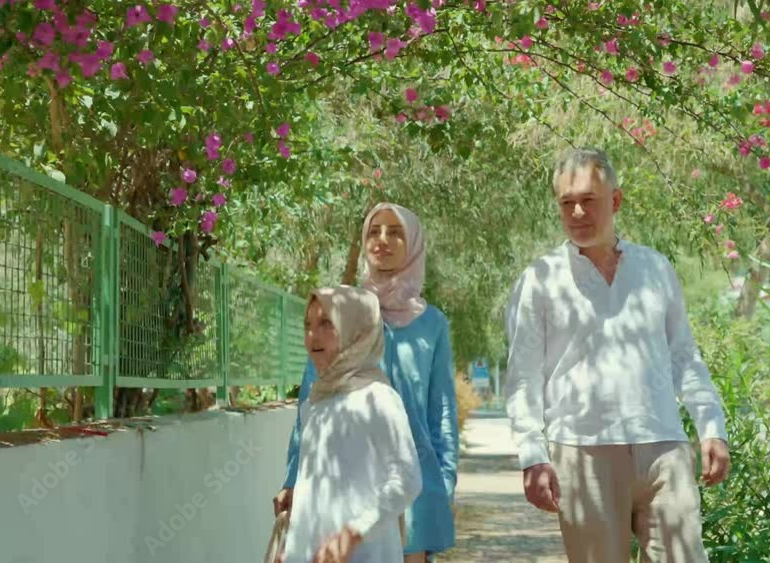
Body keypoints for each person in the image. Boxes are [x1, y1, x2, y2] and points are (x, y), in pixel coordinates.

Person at [503, 147, 731, 562]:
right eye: (567, 202)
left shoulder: (655, 268)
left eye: (588, 200)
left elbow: (683, 354)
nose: (577, 212)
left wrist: (711, 426)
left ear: (616, 200)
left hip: (663, 446)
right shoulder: (539, 279)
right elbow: (523, 377)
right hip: (582, 452)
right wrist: (532, 455)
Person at [275, 203, 458, 563]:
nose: (382, 240)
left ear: (414, 244)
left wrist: (445, 485)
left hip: (414, 482)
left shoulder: (432, 324)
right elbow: (311, 403)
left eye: (395, 232)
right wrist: (292, 479)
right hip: (351, 491)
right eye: (374, 231)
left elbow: (441, 412)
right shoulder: (342, 313)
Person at [278, 286, 421, 563]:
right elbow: (314, 491)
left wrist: (352, 534)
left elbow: (407, 479)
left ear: (357, 332)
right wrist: (291, 548)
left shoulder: (378, 398)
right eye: (307, 325)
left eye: (326, 323)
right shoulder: (315, 403)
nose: (313, 336)